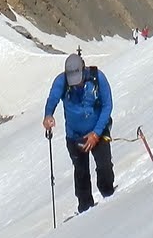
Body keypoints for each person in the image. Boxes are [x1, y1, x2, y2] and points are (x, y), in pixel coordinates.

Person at [43, 51, 116, 213]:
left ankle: (109, 196)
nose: (77, 85)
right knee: (81, 172)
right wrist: (48, 115)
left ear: (84, 69)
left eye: (79, 81)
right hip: (74, 135)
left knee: (104, 165)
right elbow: (53, 99)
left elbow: (107, 105)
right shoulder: (62, 81)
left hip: (98, 131)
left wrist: (96, 133)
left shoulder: (97, 78)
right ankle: (85, 208)